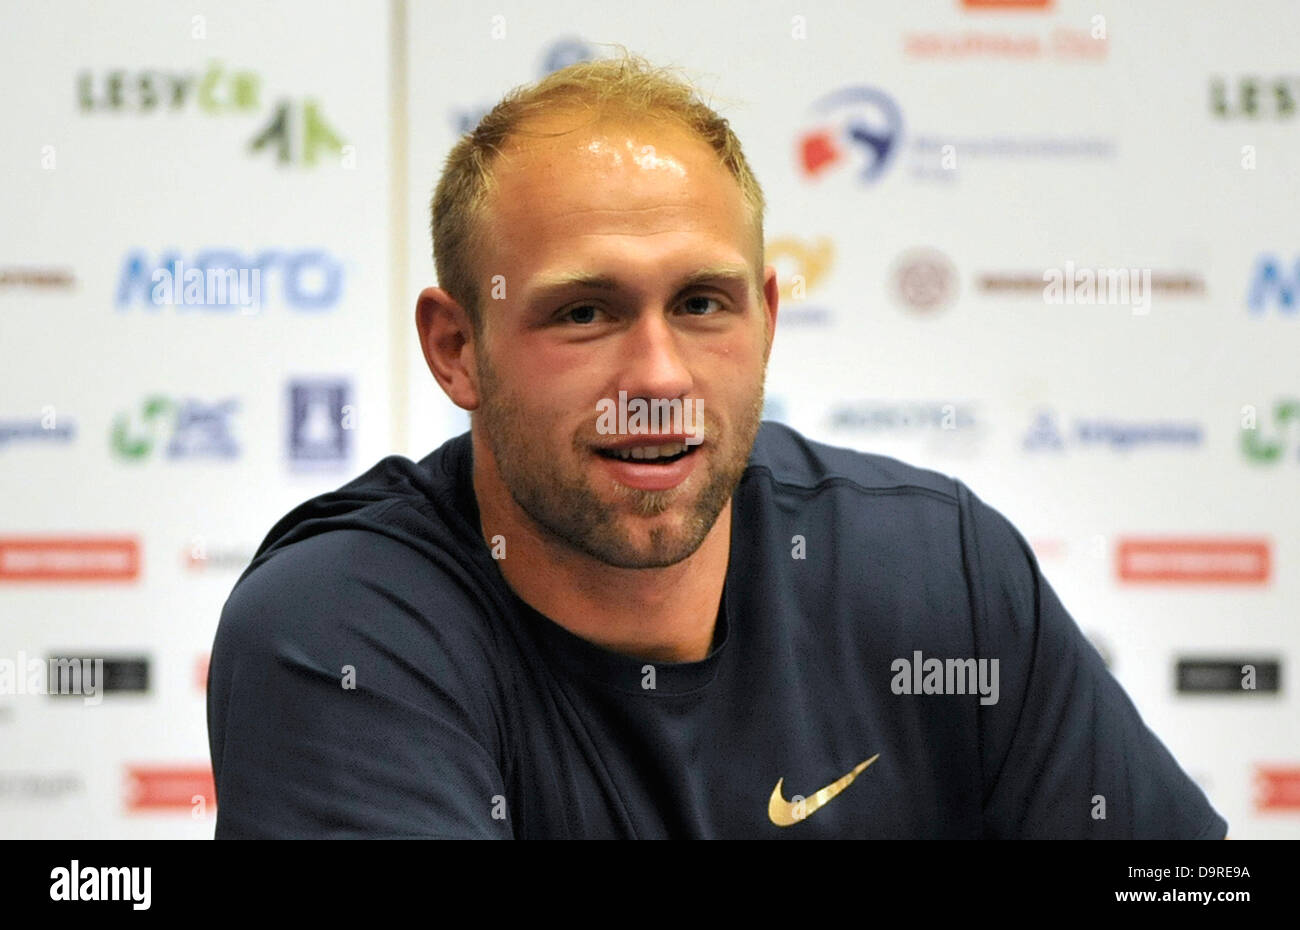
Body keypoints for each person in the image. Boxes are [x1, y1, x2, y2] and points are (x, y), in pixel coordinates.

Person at [206, 52, 1228, 839]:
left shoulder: (938, 573)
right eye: (584, 313)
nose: (657, 377)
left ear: (769, 322)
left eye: (701, 304)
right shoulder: (341, 629)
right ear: (456, 347)